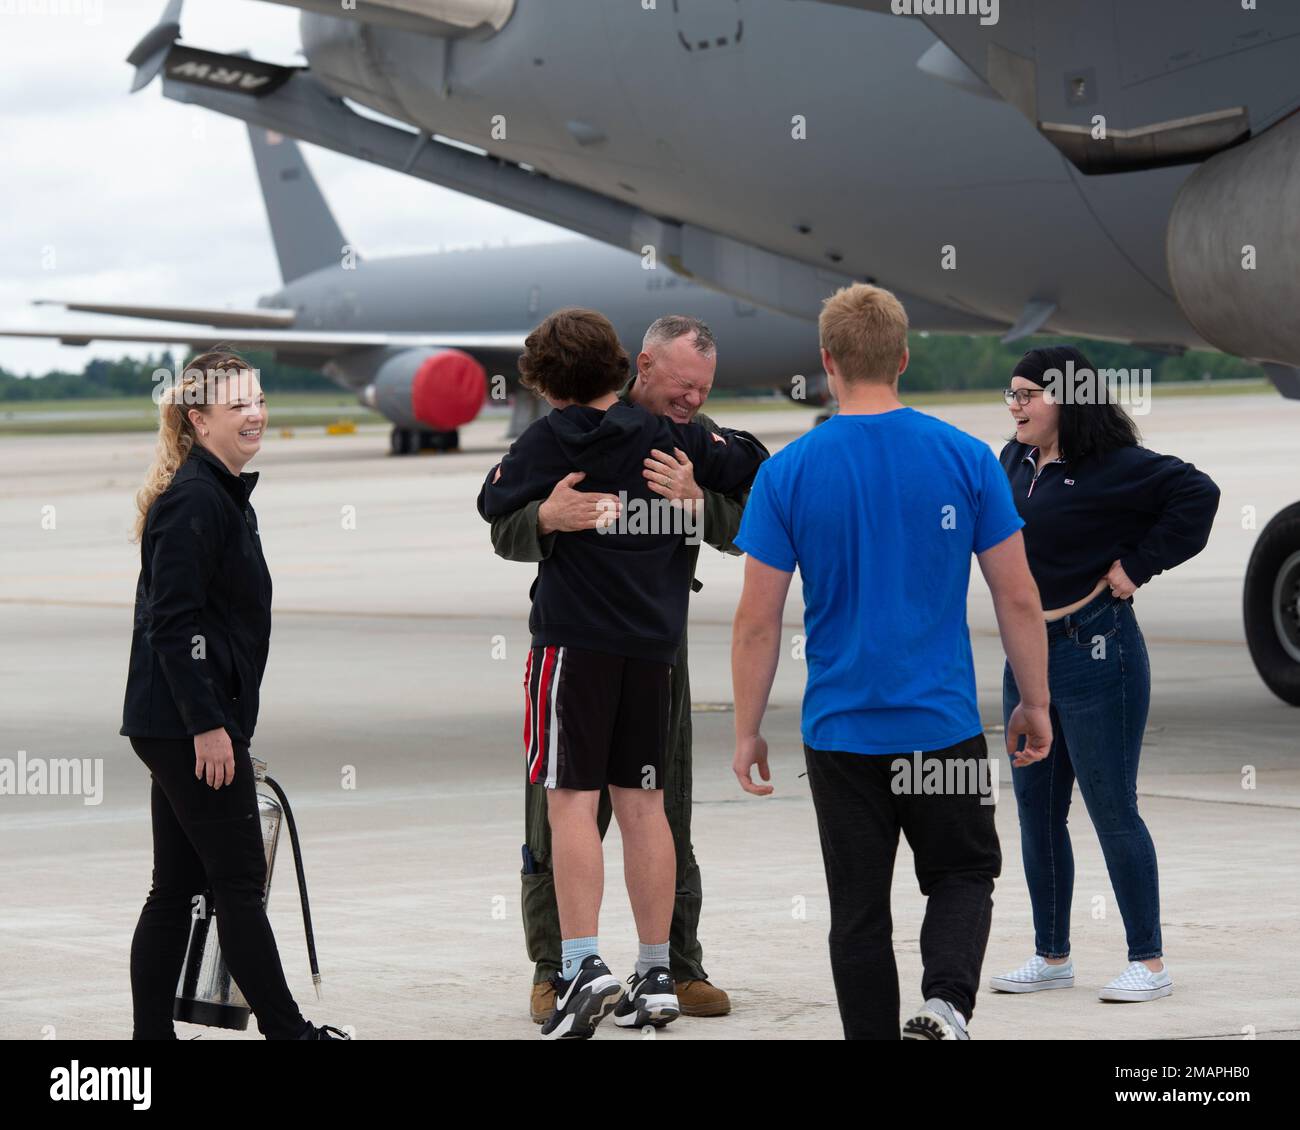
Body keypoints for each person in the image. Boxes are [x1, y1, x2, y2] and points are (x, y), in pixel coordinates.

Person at [730, 283, 1053, 1040]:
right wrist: (1034, 702)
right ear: (903, 357)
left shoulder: (787, 472)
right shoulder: (966, 458)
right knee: (965, 873)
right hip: (940, 722)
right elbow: (1017, 598)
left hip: (841, 734)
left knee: (858, 914)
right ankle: (945, 1005)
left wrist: (747, 729)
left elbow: (756, 622)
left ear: (827, 362)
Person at [478, 308, 767, 1039]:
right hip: (629, 641)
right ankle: (558, 970)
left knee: (648, 808)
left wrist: (697, 504)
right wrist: (546, 515)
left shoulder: (682, 445)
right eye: (682, 385)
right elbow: (503, 524)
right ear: (640, 366)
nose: (694, 399)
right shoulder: (656, 435)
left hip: (630, 650)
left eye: (704, 388)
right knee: (576, 816)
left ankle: (669, 962)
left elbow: (758, 508)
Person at [120, 349, 347, 1041]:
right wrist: (210, 726)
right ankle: (292, 1034)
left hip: (176, 721)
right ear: (199, 418)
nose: (256, 414)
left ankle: (151, 1042)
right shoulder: (195, 500)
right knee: (240, 886)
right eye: (238, 404)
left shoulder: (218, 493)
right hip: (188, 725)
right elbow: (172, 625)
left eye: (259, 400)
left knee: (179, 888)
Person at [989, 345, 1220, 1003]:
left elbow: (1198, 493)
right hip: (1027, 656)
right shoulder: (1013, 462)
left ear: (1069, 399)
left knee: (1110, 806)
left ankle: (1148, 963)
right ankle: (1052, 955)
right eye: (1013, 394)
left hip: (1099, 651)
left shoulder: (1118, 467)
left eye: (1030, 394)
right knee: (1037, 813)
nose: (1018, 405)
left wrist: (1138, 565)